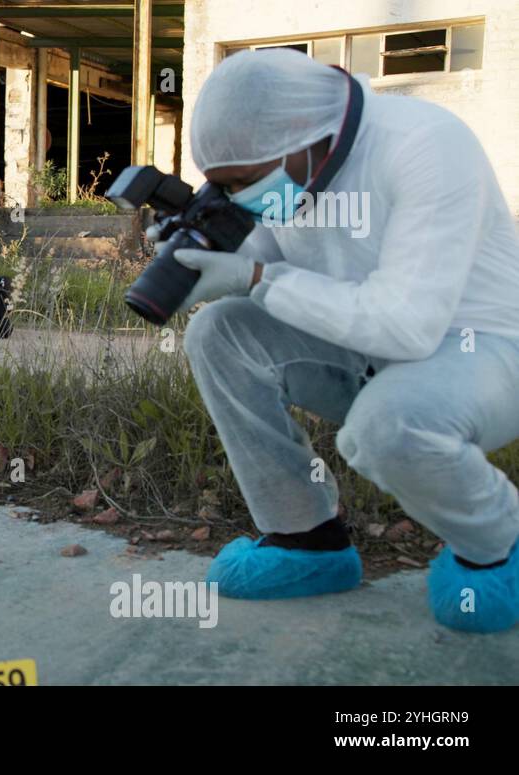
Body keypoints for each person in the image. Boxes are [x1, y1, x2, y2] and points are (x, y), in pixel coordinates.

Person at [170, 49, 519, 632]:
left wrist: (258, 279)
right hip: (364, 349)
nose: (241, 198)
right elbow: (273, 259)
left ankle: (497, 546)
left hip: (480, 352)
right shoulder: (298, 168)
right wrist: (210, 256)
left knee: (387, 427)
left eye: (242, 184)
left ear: (298, 140)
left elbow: (408, 324)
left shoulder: (425, 144)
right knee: (220, 331)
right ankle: (307, 541)